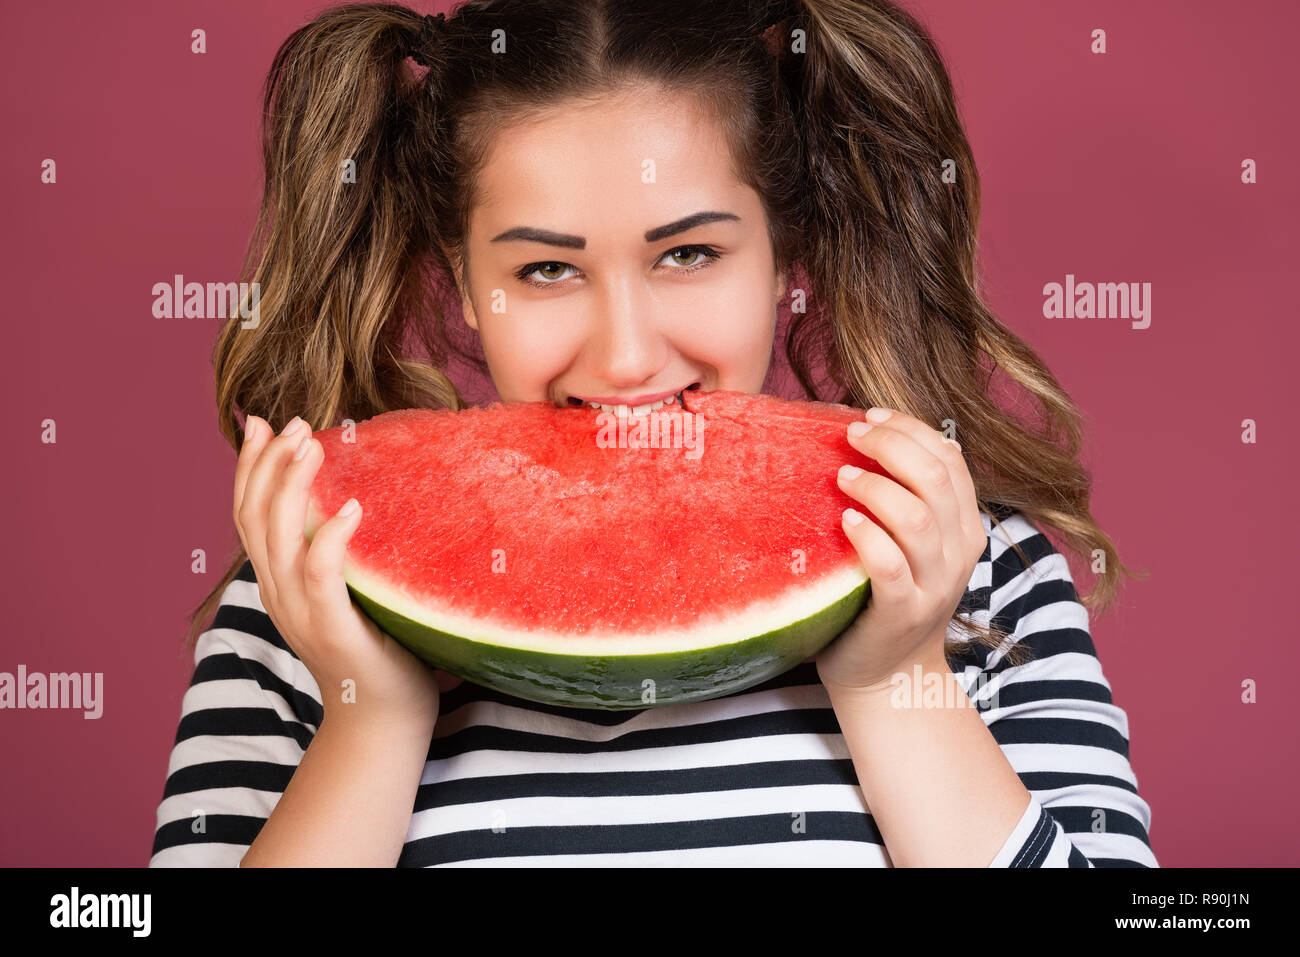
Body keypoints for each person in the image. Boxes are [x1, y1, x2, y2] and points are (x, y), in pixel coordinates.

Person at [149, 0, 1158, 867]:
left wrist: (896, 680)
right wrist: (371, 716)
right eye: (544, 270)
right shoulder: (302, 597)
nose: (626, 354)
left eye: (687, 253)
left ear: (781, 257)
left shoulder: (977, 574)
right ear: (463, 282)